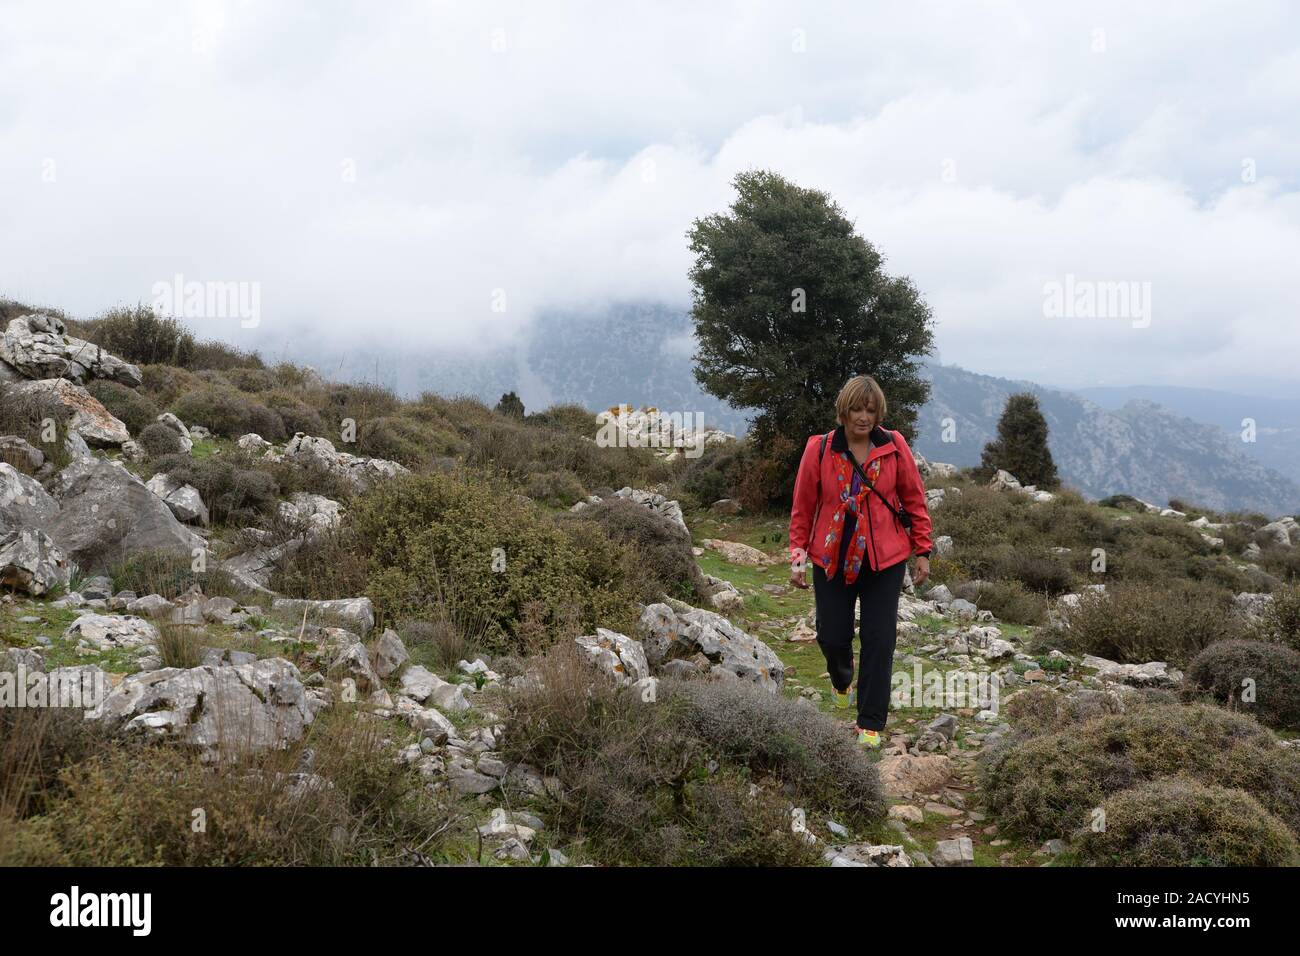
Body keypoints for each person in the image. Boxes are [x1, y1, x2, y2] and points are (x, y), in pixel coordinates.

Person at [788, 375, 933, 749]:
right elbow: (803, 507)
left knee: (879, 638)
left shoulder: (894, 446)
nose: (863, 417)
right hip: (832, 557)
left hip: (883, 559)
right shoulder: (819, 449)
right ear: (844, 410)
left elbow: (914, 500)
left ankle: (870, 722)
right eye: (856, 409)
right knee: (832, 634)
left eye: (870, 410)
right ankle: (841, 679)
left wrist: (923, 550)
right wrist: (798, 554)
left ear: (878, 412)